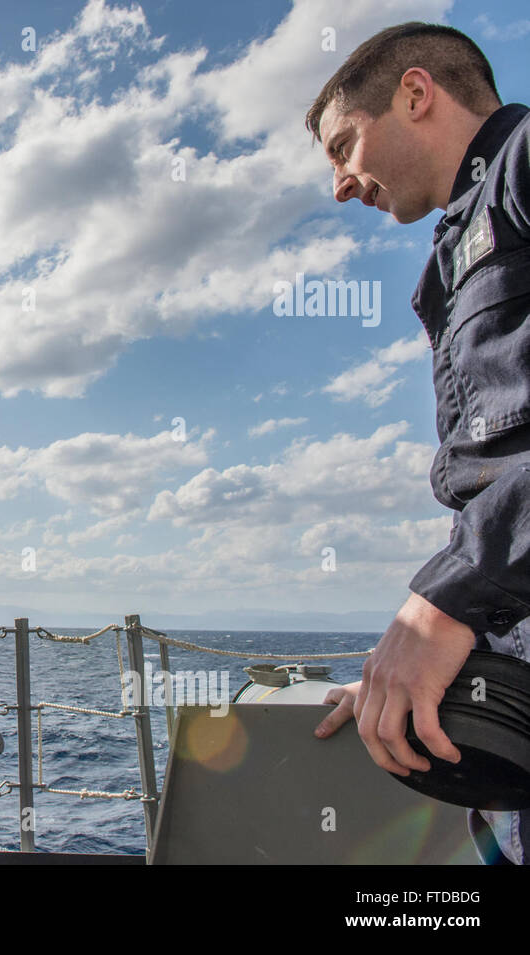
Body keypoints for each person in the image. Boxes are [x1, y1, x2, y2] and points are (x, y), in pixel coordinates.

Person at [305, 22, 530, 863]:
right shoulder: (449, 256)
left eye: (342, 145)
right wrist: (427, 651)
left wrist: (444, 599)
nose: (338, 185)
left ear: (414, 93)